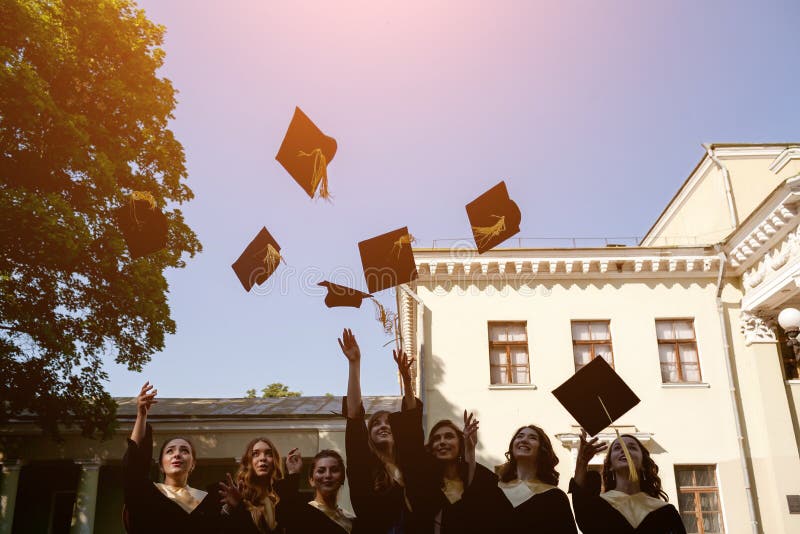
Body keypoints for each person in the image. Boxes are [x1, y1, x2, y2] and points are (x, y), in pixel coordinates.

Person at [338, 327, 422, 533]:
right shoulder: (364, 464)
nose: (383, 425)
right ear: (369, 435)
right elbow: (354, 415)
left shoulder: (408, 464)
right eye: (375, 423)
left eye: (388, 423)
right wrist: (354, 364)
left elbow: (412, 423)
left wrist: (408, 382)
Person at [122, 382, 220, 533]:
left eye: (184, 451)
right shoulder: (147, 495)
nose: (177, 454)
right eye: (170, 451)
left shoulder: (207, 503)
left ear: (193, 464)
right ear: (161, 465)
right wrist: (141, 415)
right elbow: (133, 461)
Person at [570, 431, 686, 533]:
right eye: (617, 448)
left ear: (643, 465)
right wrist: (581, 463)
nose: (624, 451)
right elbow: (580, 505)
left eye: (632, 447)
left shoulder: (666, 512)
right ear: (610, 466)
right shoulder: (596, 507)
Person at [485, 425, 578, 533]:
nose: (524, 440)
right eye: (519, 436)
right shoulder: (494, 490)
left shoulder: (555, 497)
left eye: (532, 438)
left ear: (542, 449)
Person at [217, 437, 293, 533]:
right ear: (248, 461)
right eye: (255, 454)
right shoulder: (238, 494)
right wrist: (237, 506)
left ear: (274, 461)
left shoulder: (278, 497)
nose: (262, 458)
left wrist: (293, 473)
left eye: (268, 454)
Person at [279, 449, 360, 534]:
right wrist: (293, 474)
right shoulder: (301, 514)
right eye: (321, 471)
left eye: (334, 470)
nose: (328, 475)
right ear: (311, 480)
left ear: (343, 478)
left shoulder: (351, 520)